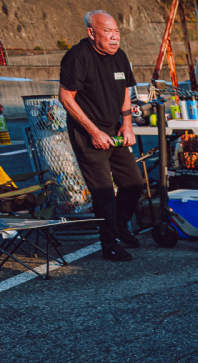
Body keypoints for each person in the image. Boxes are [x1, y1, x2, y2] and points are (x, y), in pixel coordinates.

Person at [58, 10, 140, 262]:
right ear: (91, 33)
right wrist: (93, 131)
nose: (114, 37)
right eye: (107, 31)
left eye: (116, 31)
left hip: (115, 129)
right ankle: (109, 242)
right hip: (88, 134)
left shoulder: (120, 57)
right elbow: (66, 97)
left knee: (133, 184)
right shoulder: (77, 56)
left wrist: (127, 124)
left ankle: (119, 226)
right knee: (104, 192)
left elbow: (126, 90)